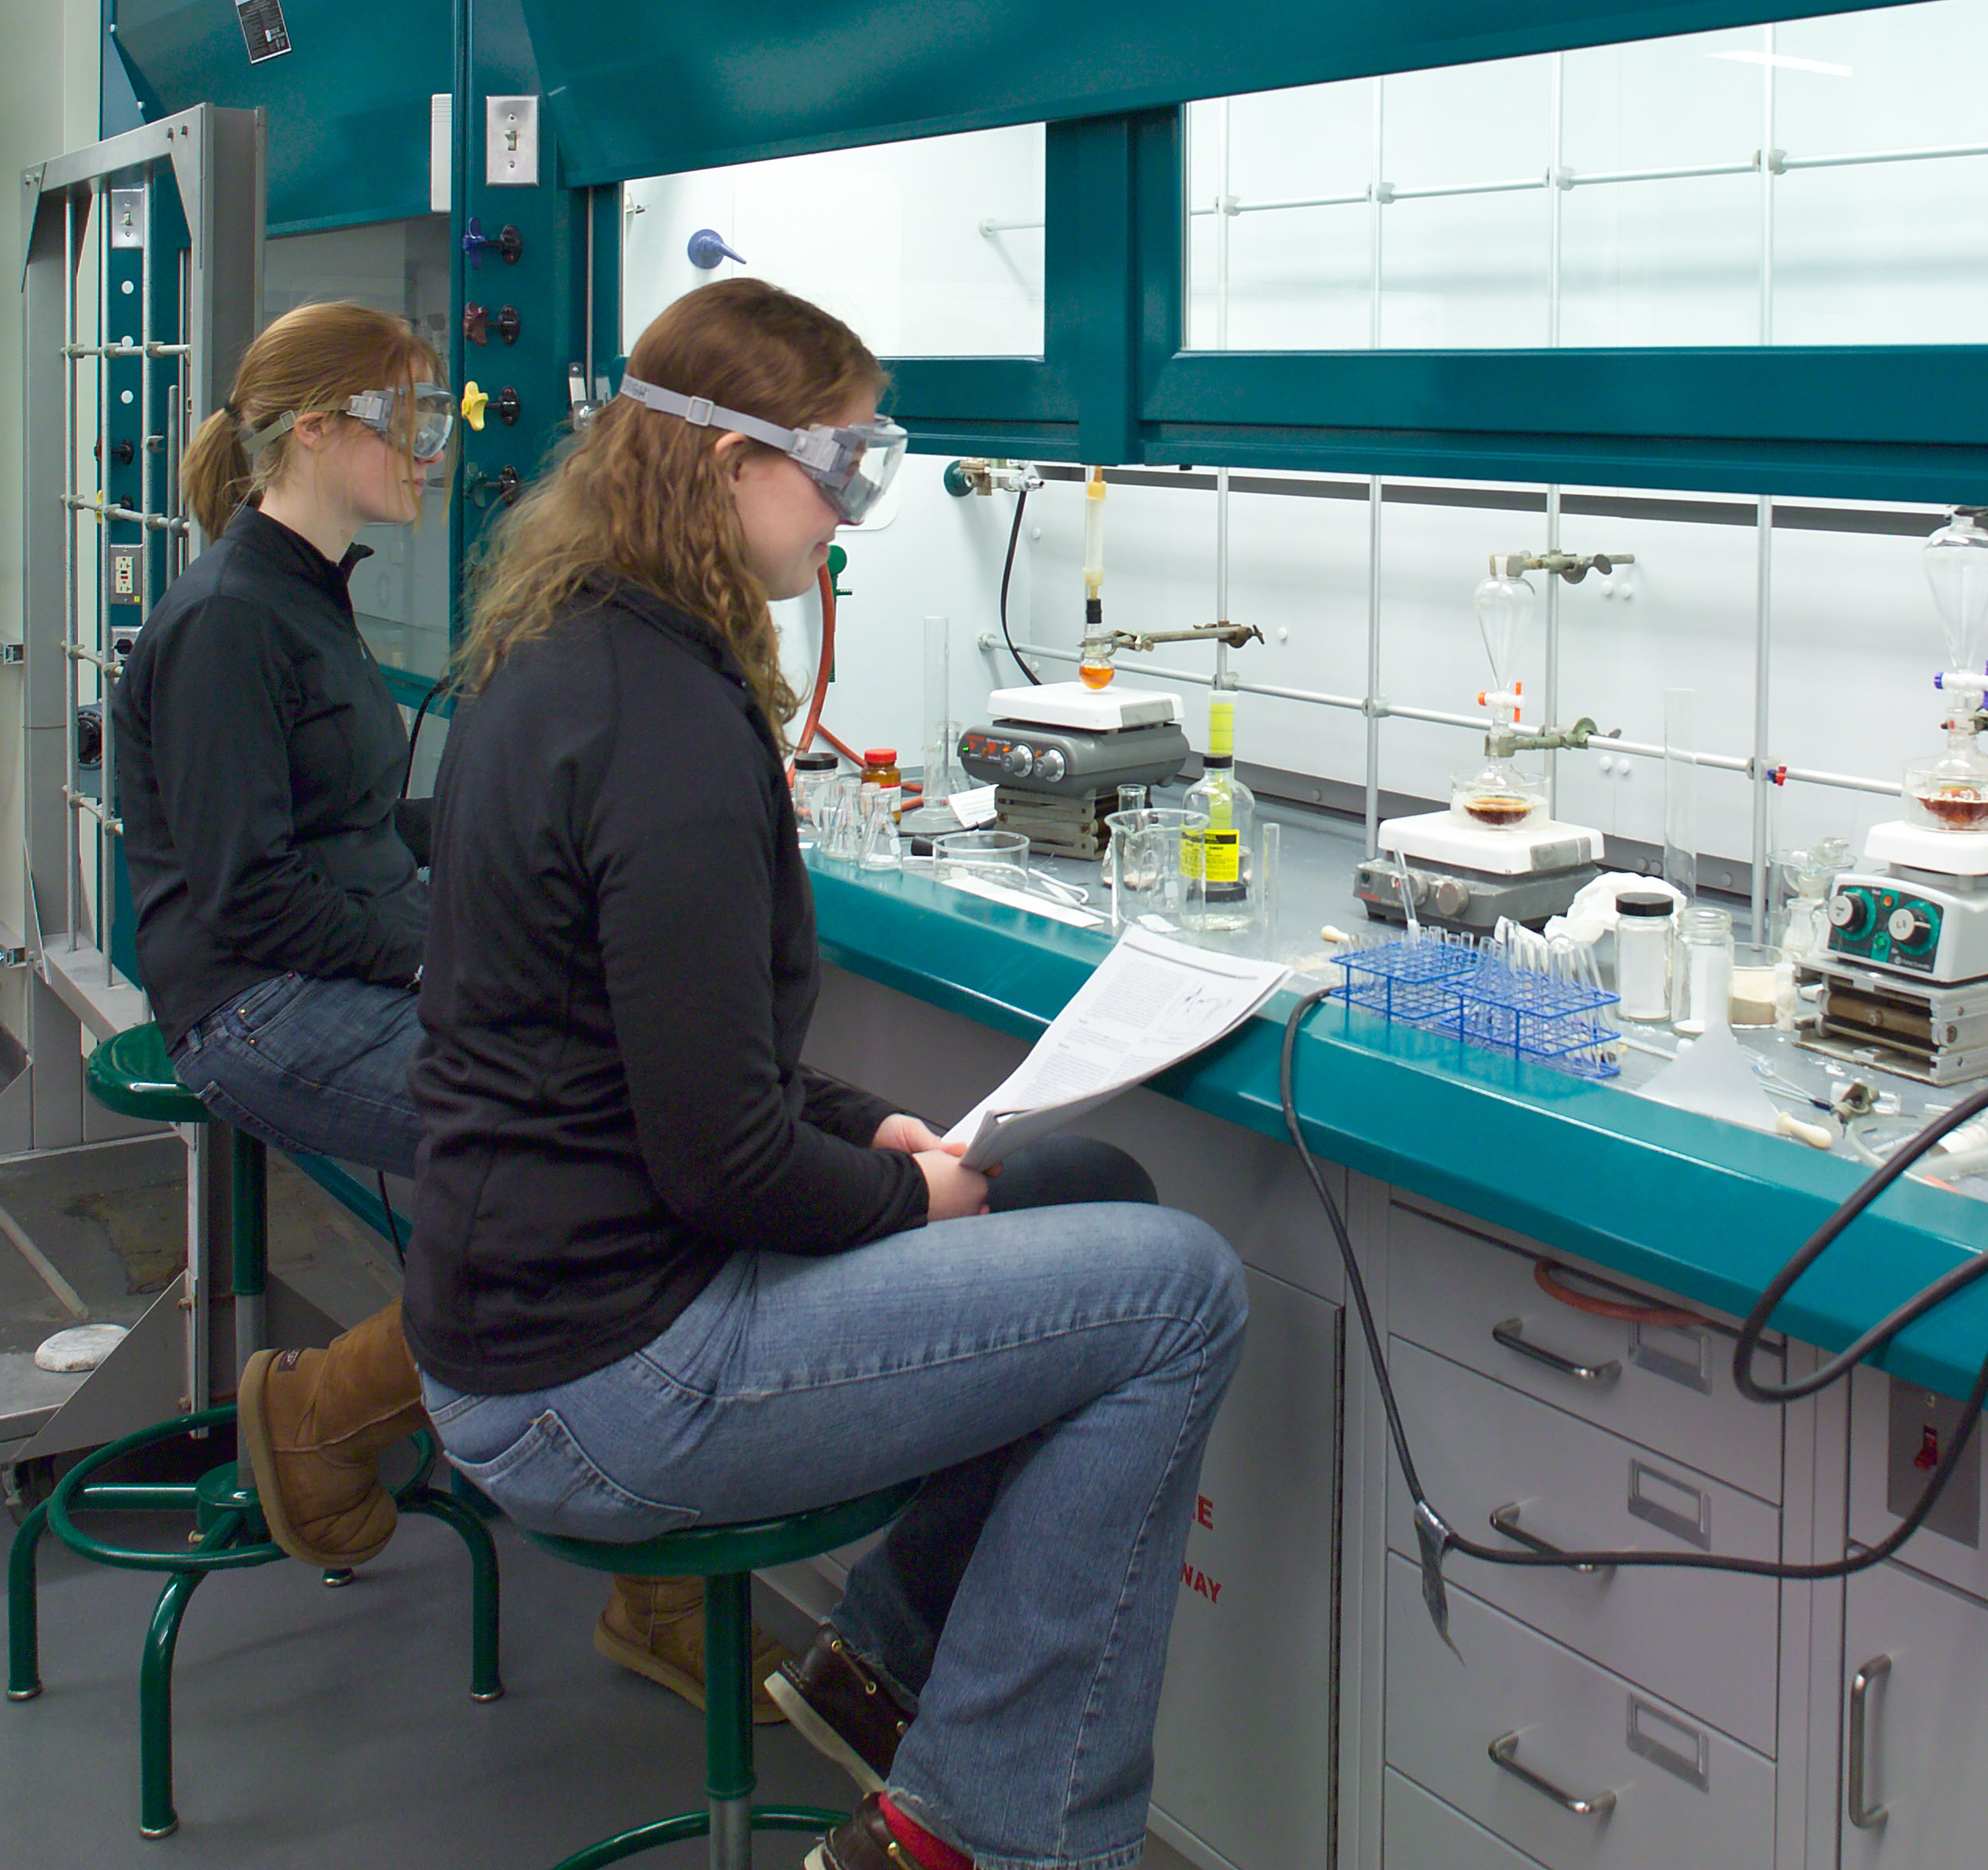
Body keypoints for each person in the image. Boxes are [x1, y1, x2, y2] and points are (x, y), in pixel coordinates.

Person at [405, 281, 1247, 1870]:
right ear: (721, 469)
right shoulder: (665, 727)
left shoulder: (565, 657)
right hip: (605, 1382)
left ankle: (883, 1671)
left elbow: (645, 1056)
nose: (849, 510)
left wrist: (868, 1124)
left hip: (522, 1311)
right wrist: (903, 1189)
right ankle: (989, 1835)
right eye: (836, 469)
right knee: (1181, 1290)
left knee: (1079, 1184)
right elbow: (718, 1161)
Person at [109, 299, 760, 1712]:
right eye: (410, 417)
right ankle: (329, 1421)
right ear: (318, 429)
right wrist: (451, 955)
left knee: (618, 1135)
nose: (434, 447)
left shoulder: (307, 593)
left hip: (331, 972)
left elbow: (357, 830)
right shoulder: (228, 619)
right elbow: (250, 902)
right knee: (604, 1158)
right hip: (256, 1011)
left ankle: (609, 1553)